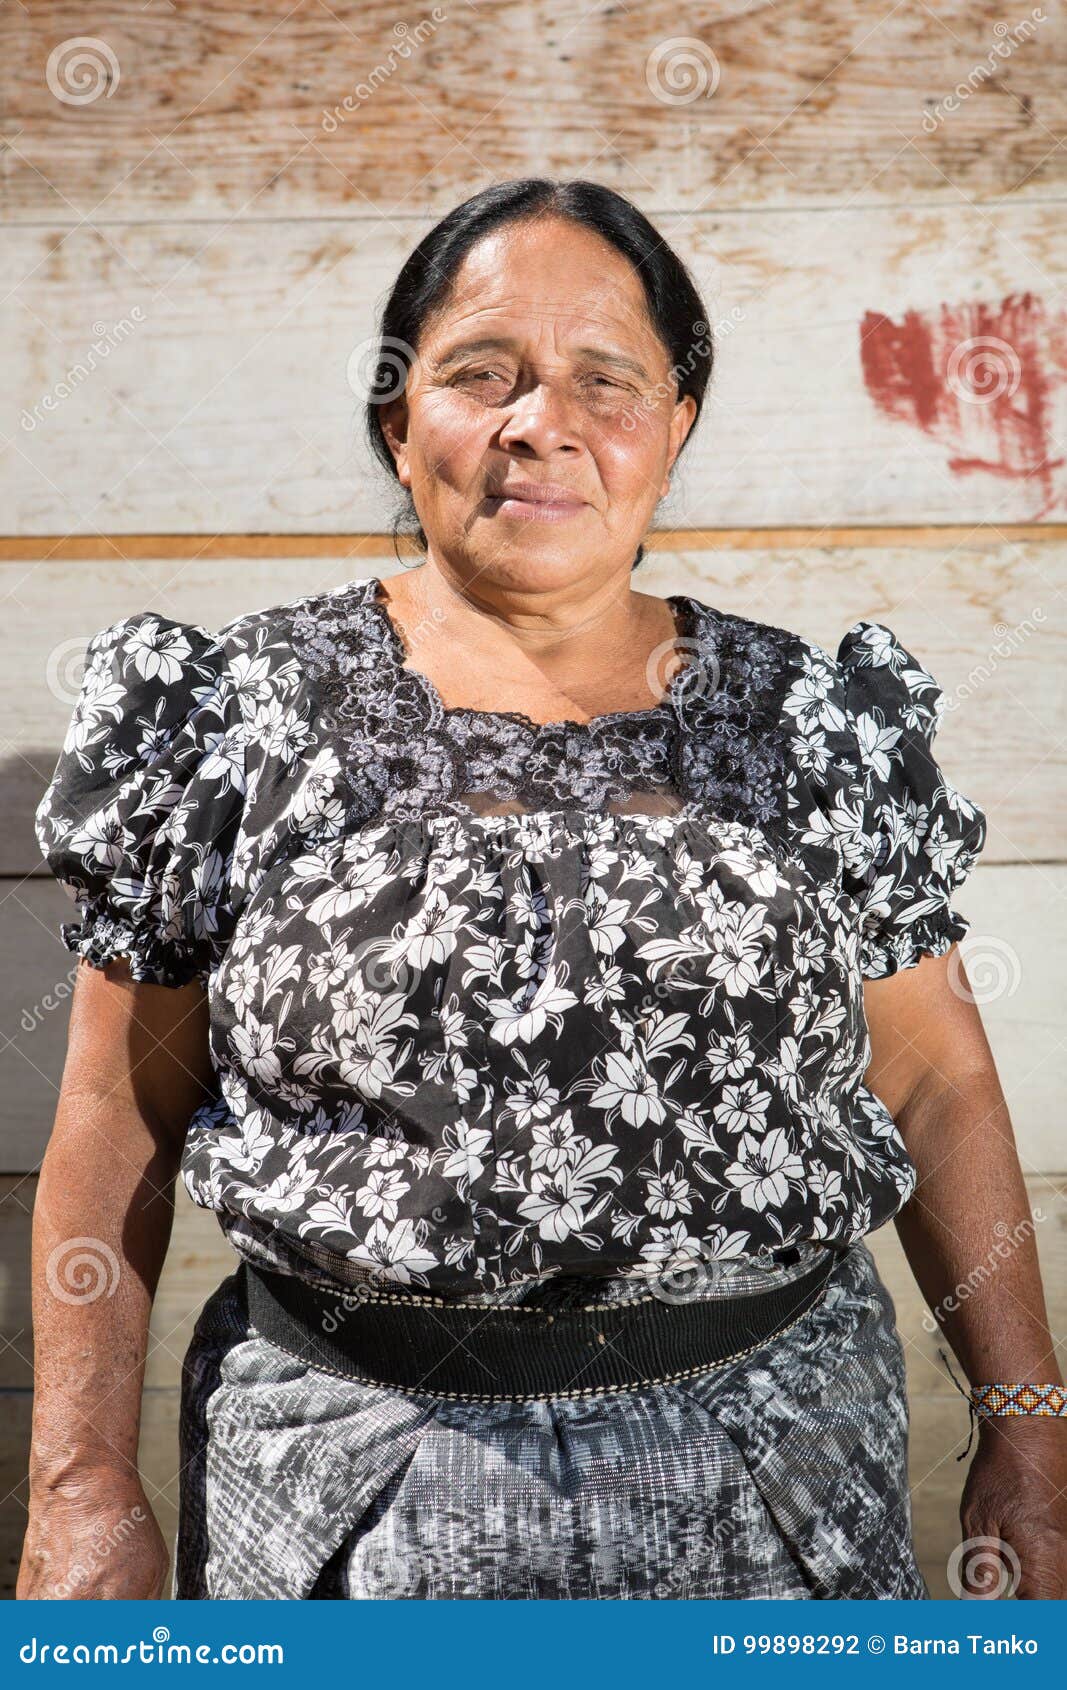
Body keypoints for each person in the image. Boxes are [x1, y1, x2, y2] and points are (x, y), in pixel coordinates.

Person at [20, 178, 1066, 1602]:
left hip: (777, 1497)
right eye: (479, 374)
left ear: (677, 421)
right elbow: (113, 1105)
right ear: (399, 419)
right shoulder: (239, 716)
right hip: (342, 1497)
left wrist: (1031, 1438)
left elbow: (937, 1079)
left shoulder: (807, 725)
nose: (538, 422)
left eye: (605, 379)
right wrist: (82, 1482)